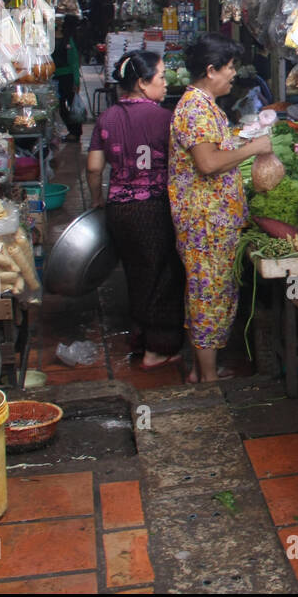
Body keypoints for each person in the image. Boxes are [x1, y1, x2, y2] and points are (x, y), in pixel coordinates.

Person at [168, 34, 272, 383]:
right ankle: (208, 380)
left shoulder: (204, 104)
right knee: (208, 295)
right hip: (205, 223)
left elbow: (215, 149)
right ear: (211, 70)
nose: (233, 74)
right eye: (229, 67)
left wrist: (243, 137)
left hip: (214, 219)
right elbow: (208, 163)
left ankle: (201, 371)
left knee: (210, 291)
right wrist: (254, 148)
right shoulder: (196, 109)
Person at [86, 51, 185, 371]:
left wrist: (97, 199)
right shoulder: (166, 119)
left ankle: (141, 338)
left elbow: (94, 167)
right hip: (154, 208)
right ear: (142, 83)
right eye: (161, 77)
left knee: (137, 273)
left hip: (120, 210)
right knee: (163, 276)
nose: (165, 84)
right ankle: (158, 348)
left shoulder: (107, 118)